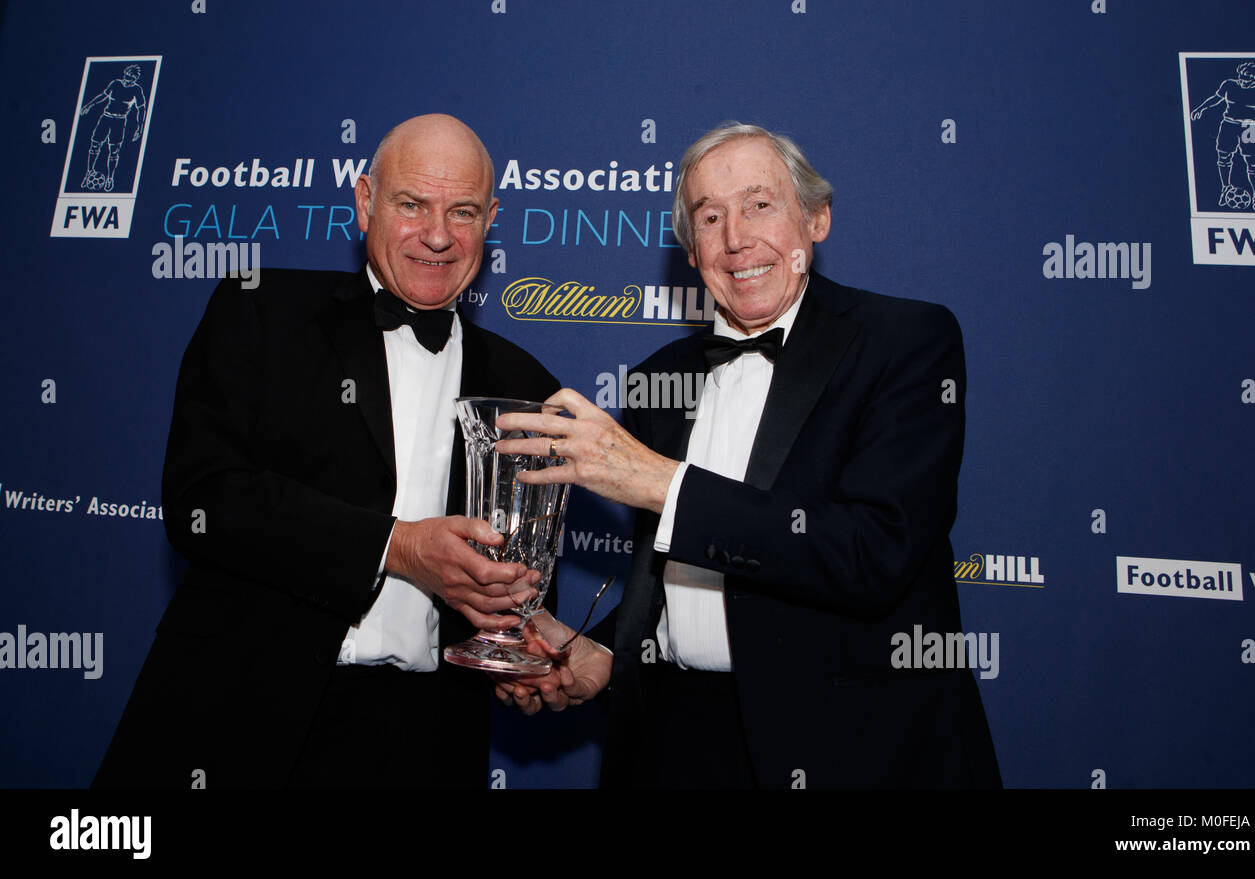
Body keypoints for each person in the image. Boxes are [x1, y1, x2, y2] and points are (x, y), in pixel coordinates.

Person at [495, 122, 1002, 789]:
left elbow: (873, 555)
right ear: (691, 248)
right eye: (710, 216)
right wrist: (605, 653)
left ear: (815, 219)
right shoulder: (658, 377)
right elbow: (682, 582)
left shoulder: (905, 343)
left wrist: (663, 483)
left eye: (760, 205)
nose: (736, 238)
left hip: (851, 748)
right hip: (679, 745)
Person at [94, 114, 559, 788]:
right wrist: (397, 546)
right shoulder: (261, 310)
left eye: (461, 211)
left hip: (425, 739)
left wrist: (528, 640)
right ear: (365, 201)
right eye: (411, 204)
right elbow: (205, 496)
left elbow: (522, 561)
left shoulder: (527, 385)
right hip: (242, 718)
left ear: (491, 218)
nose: (437, 234)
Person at [1190, 61, 1255, 211]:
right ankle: (1225, 188)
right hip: (1228, 125)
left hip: (1248, 127)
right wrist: (1201, 108)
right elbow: (1216, 98)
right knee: (1224, 157)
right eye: (1241, 77)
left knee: (1253, 162)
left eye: (1247, 78)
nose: (1243, 81)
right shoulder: (1229, 84)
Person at [79, 64, 148, 192]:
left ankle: (110, 178)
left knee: (114, 151)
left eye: (131, 79)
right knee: (95, 145)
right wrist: (89, 105)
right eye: (127, 76)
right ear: (124, 74)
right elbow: (103, 95)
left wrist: (140, 127)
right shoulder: (115, 83)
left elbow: (141, 109)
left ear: (135, 79)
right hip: (105, 118)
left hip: (120, 121)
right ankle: (89, 172)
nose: (128, 80)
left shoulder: (136, 90)